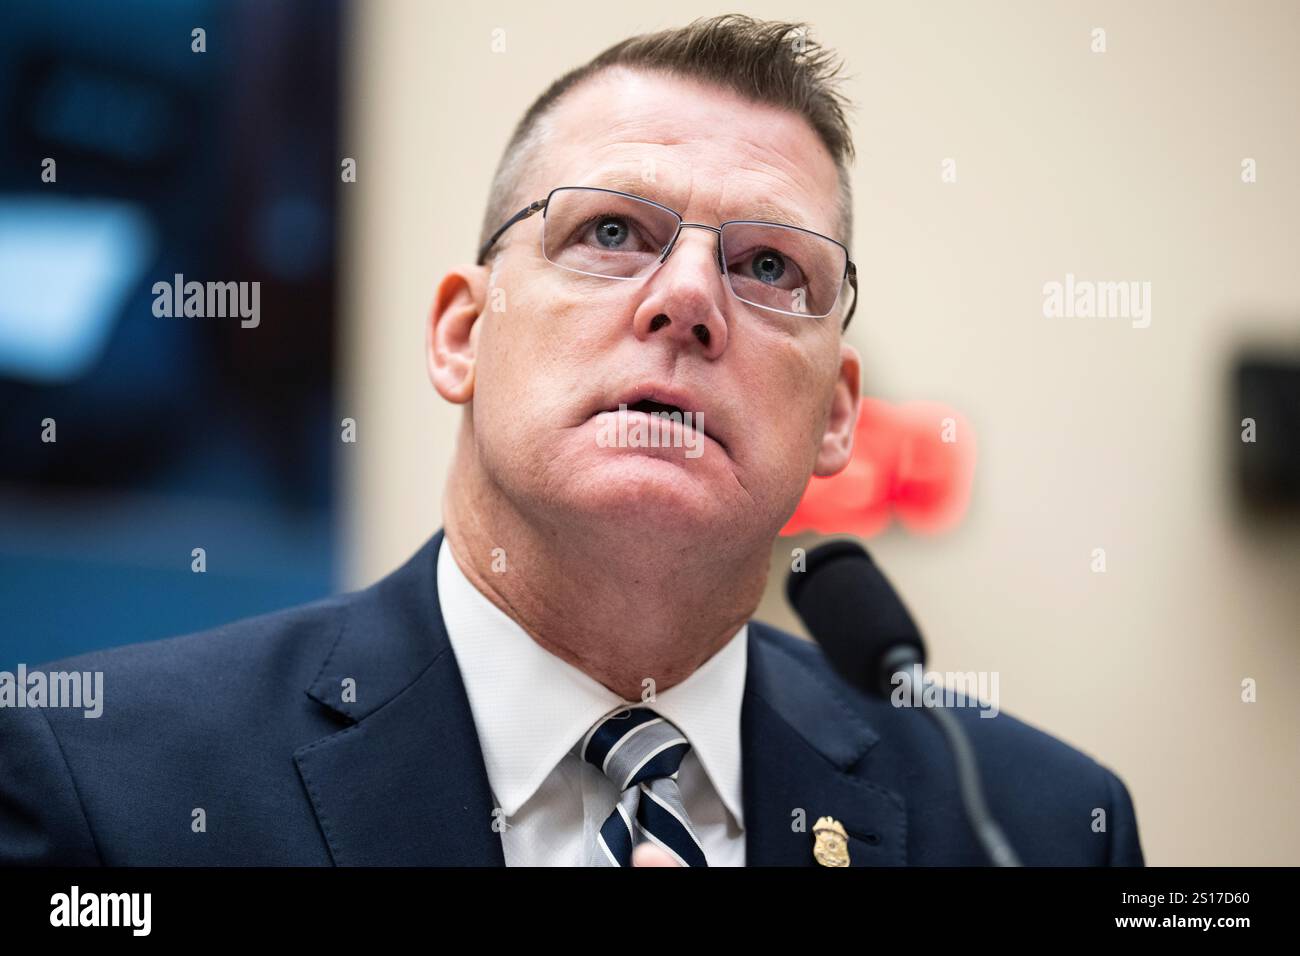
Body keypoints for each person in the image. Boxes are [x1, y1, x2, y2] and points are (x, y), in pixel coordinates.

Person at [0, 14, 1142, 867]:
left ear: (836, 412)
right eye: (609, 230)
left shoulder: (1034, 826)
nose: (690, 300)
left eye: (767, 267)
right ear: (460, 333)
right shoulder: (98, 782)